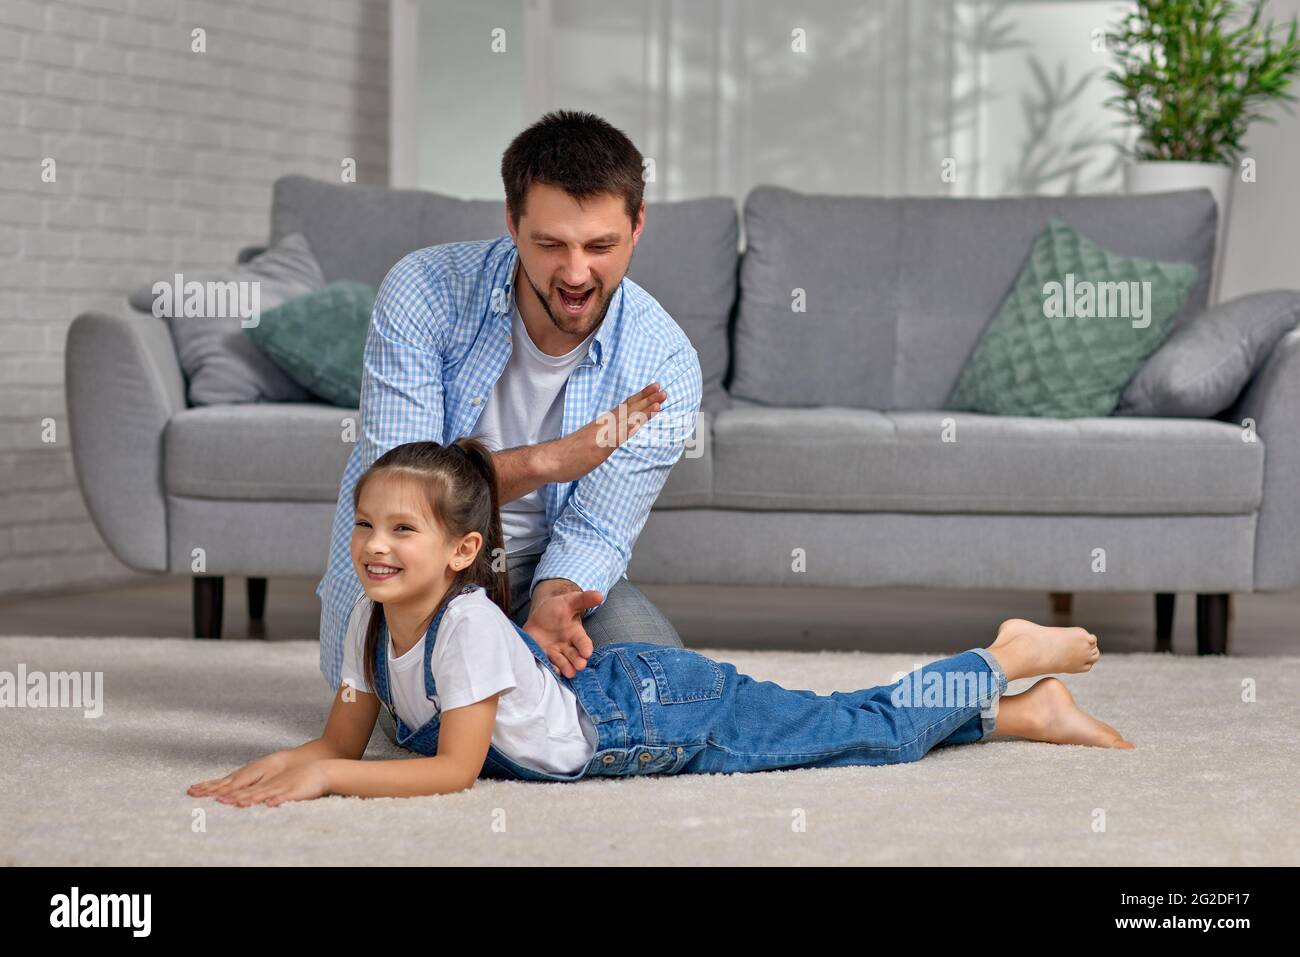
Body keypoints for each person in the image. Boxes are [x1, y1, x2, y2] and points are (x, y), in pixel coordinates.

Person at [190, 439, 1134, 809]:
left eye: (404, 529)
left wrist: (324, 779)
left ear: (464, 551)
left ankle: (1001, 653)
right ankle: (1023, 711)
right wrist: (302, 755)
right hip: (617, 713)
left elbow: (451, 771)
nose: (375, 546)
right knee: (843, 744)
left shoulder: (470, 626)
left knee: (858, 729)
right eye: (364, 524)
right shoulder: (365, 611)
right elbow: (345, 734)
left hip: (651, 714)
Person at [314, 111, 704, 753]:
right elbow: (397, 505)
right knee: (438, 728)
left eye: (601, 247)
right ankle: (503, 677)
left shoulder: (664, 360)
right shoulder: (424, 291)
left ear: (638, 226)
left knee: (666, 698)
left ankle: (521, 660)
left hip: (545, 561)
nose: (576, 274)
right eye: (551, 244)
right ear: (512, 223)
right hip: (425, 570)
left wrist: (553, 600)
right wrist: (553, 460)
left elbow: (598, 531)